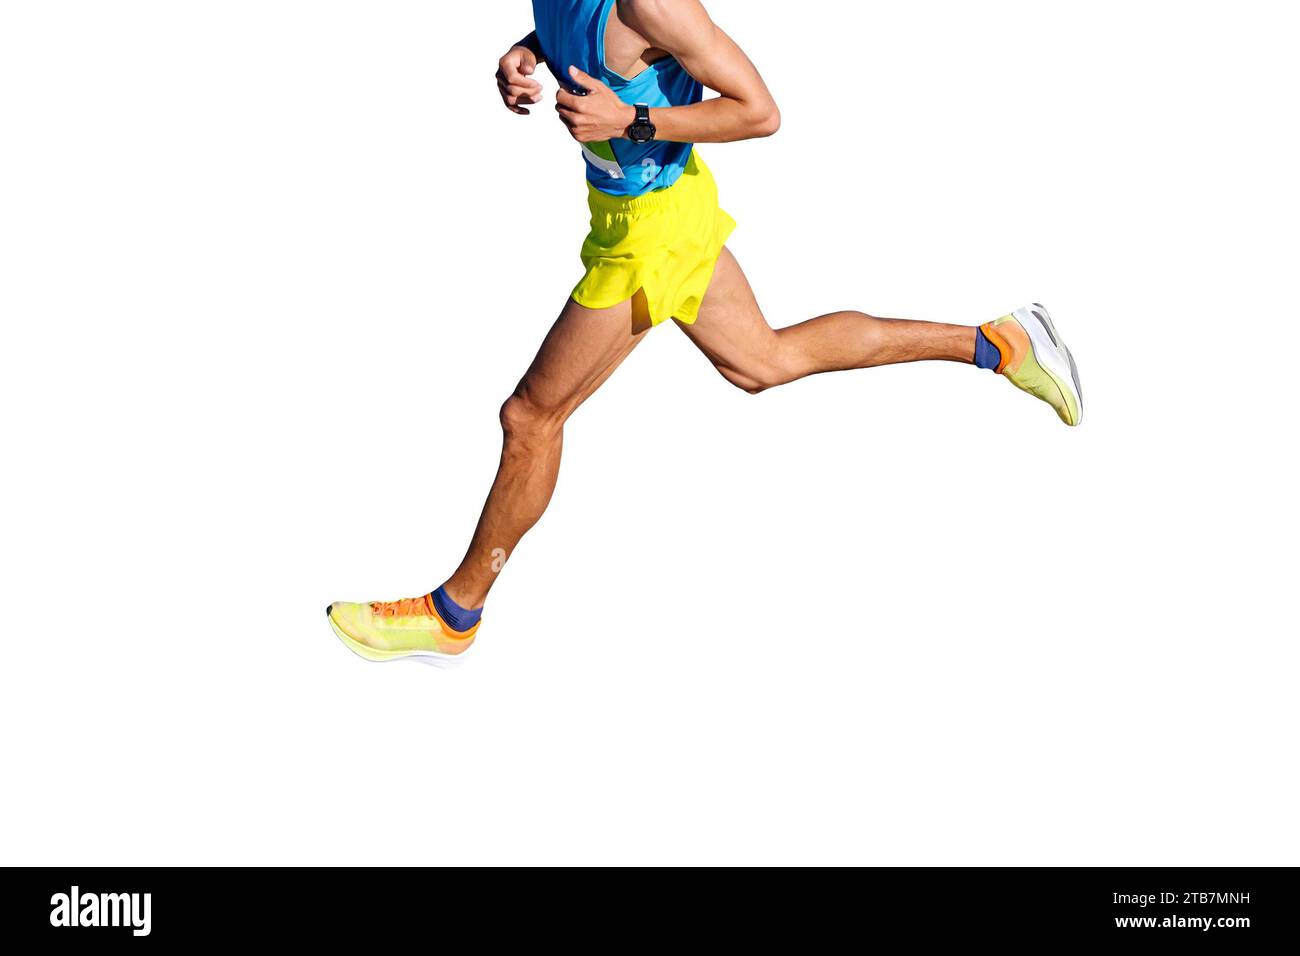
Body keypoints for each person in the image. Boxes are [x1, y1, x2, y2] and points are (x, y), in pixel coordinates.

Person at [327, 0, 1083, 665]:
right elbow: (572, 29)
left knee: (531, 417)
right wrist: (527, 50)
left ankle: (454, 614)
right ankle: (1001, 343)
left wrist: (633, 120)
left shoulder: (657, 5)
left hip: (650, 235)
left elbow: (759, 111)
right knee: (764, 361)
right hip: (652, 212)